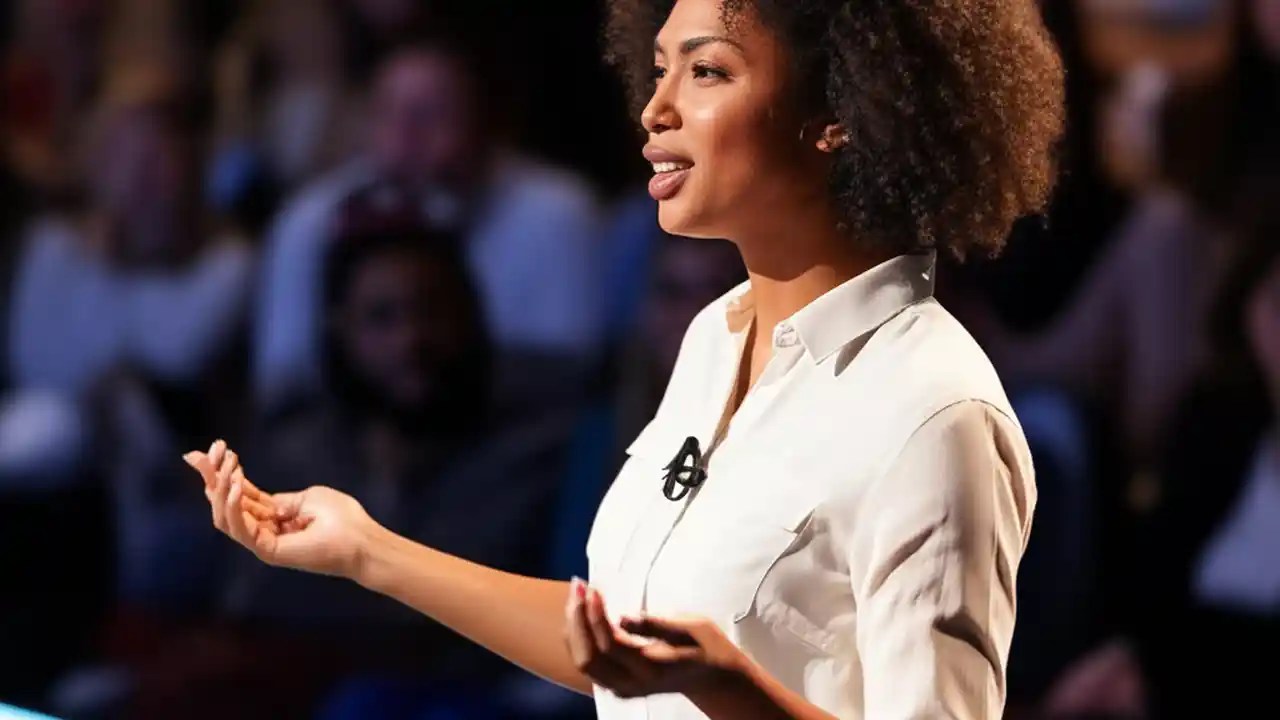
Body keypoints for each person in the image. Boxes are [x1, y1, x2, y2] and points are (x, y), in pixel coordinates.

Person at [186, 0, 1062, 717]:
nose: (656, 107)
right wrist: (367, 551)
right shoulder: (713, 337)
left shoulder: (935, 416)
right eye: (660, 67)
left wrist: (727, 686)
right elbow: (620, 645)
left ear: (838, 113)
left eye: (707, 70)